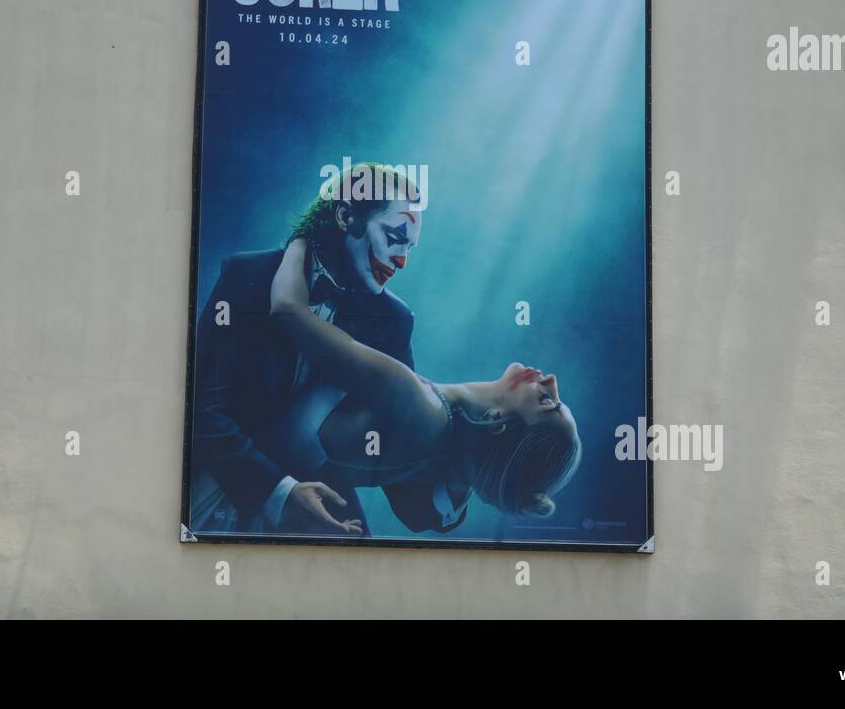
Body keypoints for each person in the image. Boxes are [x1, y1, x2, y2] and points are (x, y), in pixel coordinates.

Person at [187, 163, 471, 537]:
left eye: (409, 247)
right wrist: (282, 494)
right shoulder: (247, 276)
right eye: (394, 237)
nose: (402, 261)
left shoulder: (393, 321)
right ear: (345, 216)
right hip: (219, 495)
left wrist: (463, 475)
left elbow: (399, 467)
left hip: (326, 513)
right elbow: (203, 411)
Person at [261, 237, 582, 522]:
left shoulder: (419, 406)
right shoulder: (440, 457)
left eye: (546, 401)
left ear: (498, 422)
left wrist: (304, 239)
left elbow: (287, 309)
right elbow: (432, 511)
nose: (551, 380)